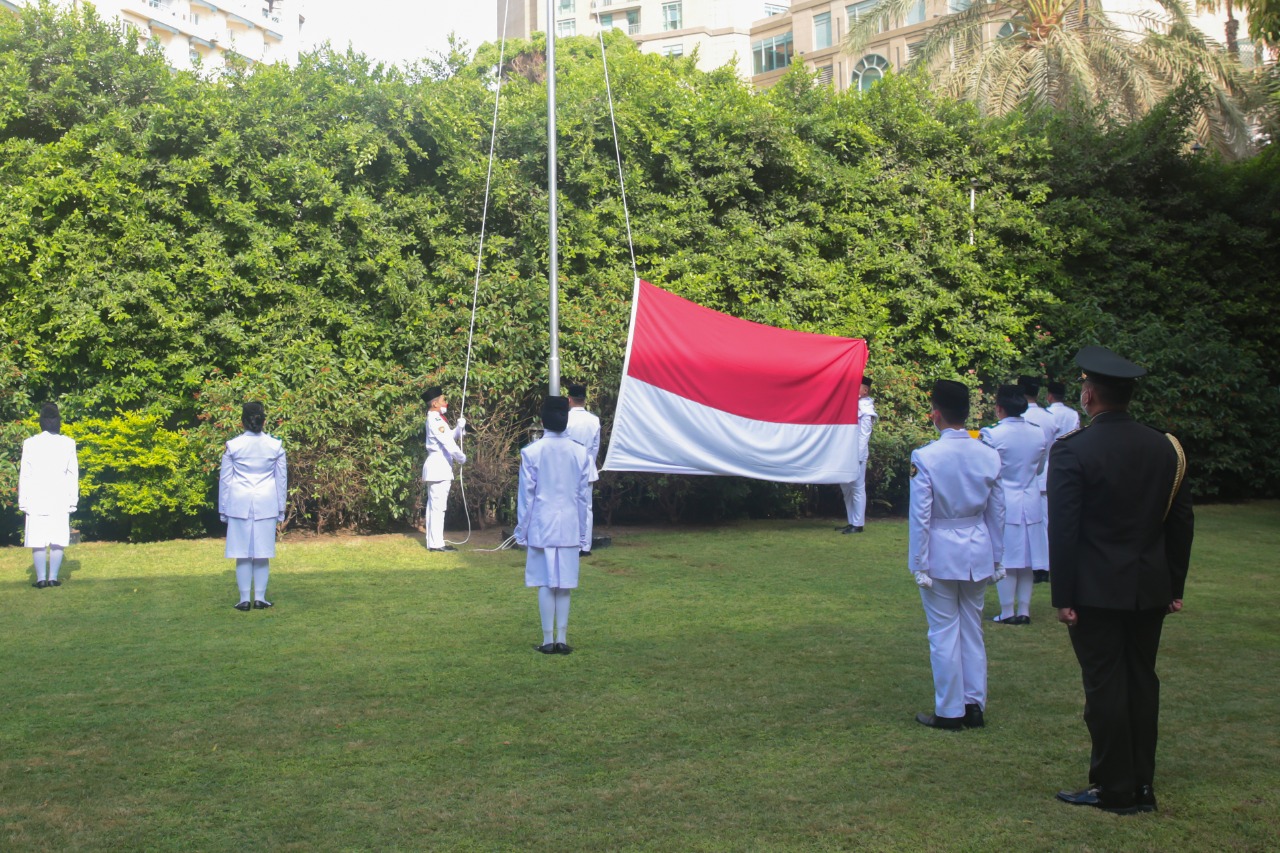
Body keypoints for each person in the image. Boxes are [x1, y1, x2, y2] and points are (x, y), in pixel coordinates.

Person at [1050, 345, 1193, 815]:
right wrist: (1174, 586)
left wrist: (1063, 595)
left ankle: (1114, 789)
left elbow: (1065, 529)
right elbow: (1180, 523)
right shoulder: (1165, 447)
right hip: (1148, 587)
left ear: (1089, 395)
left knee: (1105, 689)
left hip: (1095, 591)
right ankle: (1141, 785)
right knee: (1141, 683)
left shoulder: (1074, 450)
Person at [908, 380, 1005, 730]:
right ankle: (973, 705)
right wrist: (997, 557)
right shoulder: (989, 454)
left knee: (943, 631)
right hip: (977, 549)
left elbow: (921, 516)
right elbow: (998, 511)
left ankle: (950, 710)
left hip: (941, 551)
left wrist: (919, 563)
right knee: (971, 629)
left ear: (936, 414)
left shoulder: (926, 456)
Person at [515, 396, 592, 655]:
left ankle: (549, 640)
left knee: (547, 582)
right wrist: (583, 534)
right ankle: (561, 637)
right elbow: (583, 497)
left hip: (541, 525)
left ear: (542, 419)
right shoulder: (580, 452)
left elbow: (526, 497)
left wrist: (520, 531)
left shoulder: (532, 452)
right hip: (569, 524)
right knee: (564, 583)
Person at [981, 385, 1049, 625]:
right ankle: (1024, 610)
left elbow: (986, 470)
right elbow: (1039, 468)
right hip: (1030, 498)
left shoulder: (992, 434)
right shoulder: (1037, 432)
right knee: (1027, 560)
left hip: (1003, 500)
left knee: (1007, 558)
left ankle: (1008, 610)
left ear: (999, 408)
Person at [218, 402, 288, 611]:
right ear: (263, 420)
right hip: (266, 501)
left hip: (239, 501)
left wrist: (223, 508)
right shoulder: (275, 446)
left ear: (242, 421)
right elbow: (281, 480)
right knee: (261, 552)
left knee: (242, 552)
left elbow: (225, 480)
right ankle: (259, 597)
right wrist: (280, 507)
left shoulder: (234, 445)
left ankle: (244, 599)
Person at [18, 402, 79, 589]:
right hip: (60, 495)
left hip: (36, 495)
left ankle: (40, 579)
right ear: (58, 421)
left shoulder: (29, 443)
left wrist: (23, 500)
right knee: (58, 538)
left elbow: (25, 474)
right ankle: (53, 578)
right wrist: (72, 499)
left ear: (41, 421)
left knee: (37, 538)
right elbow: (72, 473)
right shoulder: (68, 443)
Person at [1019, 375, 1057, 583]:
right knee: (1044, 523)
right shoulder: (1049, 417)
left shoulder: (1020, 416)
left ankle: (1033, 565)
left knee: (1023, 526)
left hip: (1025, 476)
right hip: (1046, 472)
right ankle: (1045, 564)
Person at [422, 386, 466, 553]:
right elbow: (448, 444)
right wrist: (461, 457)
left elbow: (448, 437)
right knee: (438, 507)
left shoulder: (438, 419)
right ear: (434, 404)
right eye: (443, 400)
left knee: (435, 507)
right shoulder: (435, 420)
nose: (445, 403)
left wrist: (458, 428)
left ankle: (434, 542)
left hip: (439, 466)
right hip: (438, 467)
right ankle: (436, 544)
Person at [837, 374, 878, 535]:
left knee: (857, 487)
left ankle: (858, 523)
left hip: (857, 453)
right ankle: (851, 521)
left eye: (858, 386)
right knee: (846, 487)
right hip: (846, 452)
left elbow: (864, 435)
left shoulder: (867, 409)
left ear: (865, 390)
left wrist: (859, 456)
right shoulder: (852, 405)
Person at [565, 382, 601, 556]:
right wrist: (588, 463)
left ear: (569, 399)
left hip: (568, 468)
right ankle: (585, 545)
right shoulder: (594, 420)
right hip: (587, 467)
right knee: (586, 507)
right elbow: (595, 447)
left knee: (566, 505)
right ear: (584, 400)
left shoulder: (565, 418)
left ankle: (569, 542)